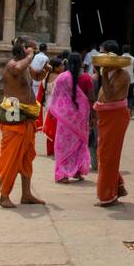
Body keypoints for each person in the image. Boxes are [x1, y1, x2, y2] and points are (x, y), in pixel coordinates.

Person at [0, 38, 43, 207]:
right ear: (23, 48)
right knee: (10, 158)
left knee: (26, 157)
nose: (34, 51)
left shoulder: (25, 66)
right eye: (32, 48)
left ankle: (26, 194)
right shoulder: (12, 65)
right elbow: (17, 69)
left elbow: (37, 76)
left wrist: (47, 68)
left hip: (28, 116)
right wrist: (30, 56)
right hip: (14, 115)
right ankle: (4, 196)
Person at [92, 40, 132, 205]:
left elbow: (108, 95)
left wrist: (103, 76)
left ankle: (107, 196)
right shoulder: (109, 74)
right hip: (105, 116)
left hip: (116, 117)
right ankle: (118, 186)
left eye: (102, 52)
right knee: (103, 154)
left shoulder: (122, 75)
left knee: (108, 156)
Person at [47, 52, 94, 182]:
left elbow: (55, 96)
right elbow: (91, 98)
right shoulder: (86, 78)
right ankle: (77, 171)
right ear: (80, 64)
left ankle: (63, 174)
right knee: (79, 143)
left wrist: (52, 113)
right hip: (81, 117)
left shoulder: (62, 77)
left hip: (65, 117)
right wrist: (94, 117)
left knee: (63, 144)